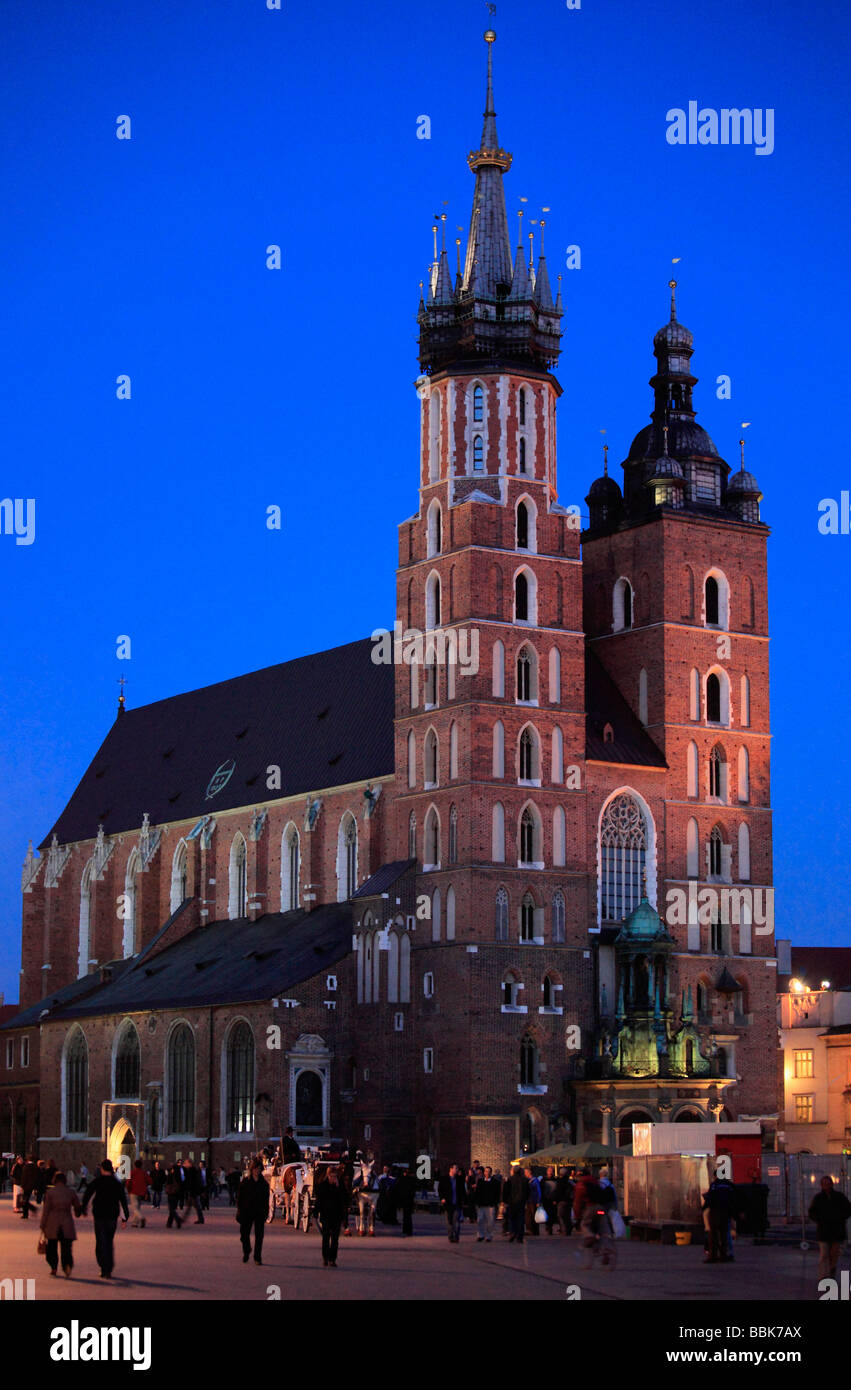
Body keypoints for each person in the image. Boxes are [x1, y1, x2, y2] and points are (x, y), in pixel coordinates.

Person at [81, 1159, 129, 1279]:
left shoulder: (98, 1181)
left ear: (102, 1168)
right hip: (112, 1215)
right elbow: (123, 1200)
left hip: (99, 1214)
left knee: (100, 1241)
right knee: (109, 1241)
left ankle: (103, 1266)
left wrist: (84, 1208)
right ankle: (108, 1267)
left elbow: (87, 1193)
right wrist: (125, 1218)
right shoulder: (116, 1183)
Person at [808, 1175, 851, 1282]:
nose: (826, 1186)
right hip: (824, 1230)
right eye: (825, 1184)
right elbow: (812, 1212)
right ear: (822, 1185)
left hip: (836, 1230)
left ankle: (831, 1273)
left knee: (833, 1255)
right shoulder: (819, 1198)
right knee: (824, 1255)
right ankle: (823, 1276)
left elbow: (848, 1209)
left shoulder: (839, 1197)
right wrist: (820, 1219)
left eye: (828, 1184)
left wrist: (840, 1218)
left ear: (831, 1184)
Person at [40, 1172, 81, 1278]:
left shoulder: (50, 1193)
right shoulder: (70, 1192)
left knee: (52, 1247)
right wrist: (78, 1212)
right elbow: (77, 1207)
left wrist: (43, 1224)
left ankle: (53, 1267)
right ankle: (67, 1265)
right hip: (66, 1222)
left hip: (52, 1223)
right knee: (66, 1247)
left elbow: (46, 1210)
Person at [237, 1159, 270, 1264]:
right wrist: (239, 1211)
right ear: (252, 1169)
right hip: (246, 1212)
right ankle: (247, 1250)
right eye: (255, 1168)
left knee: (259, 1236)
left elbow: (266, 1199)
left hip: (259, 1212)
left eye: (259, 1169)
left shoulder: (264, 1184)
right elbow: (239, 1198)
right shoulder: (245, 1182)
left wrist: (266, 1212)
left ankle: (257, 1257)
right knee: (244, 1234)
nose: (257, 1170)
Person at [316, 1167, 348, 1267]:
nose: (334, 1178)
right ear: (328, 1176)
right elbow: (319, 1200)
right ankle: (325, 1258)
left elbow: (345, 1200)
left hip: (336, 1216)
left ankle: (332, 1259)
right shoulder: (323, 1186)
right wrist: (316, 1212)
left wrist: (339, 1188)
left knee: (335, 1239)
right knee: (325, 1238)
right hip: (326, 1215)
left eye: (335, 1176)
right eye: (332, 1176)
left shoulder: (340, 1186)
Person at [702, 1174, 736, 1264]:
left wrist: (704, 1208)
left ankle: (713, 1256)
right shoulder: (729, 1185)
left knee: (713, 1235)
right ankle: (723, 1255)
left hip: (715, 1212)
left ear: (715, 1176)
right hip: (726, 1212)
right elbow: (733, 1199)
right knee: (724, 1235)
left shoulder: (715, 1185)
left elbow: (710, 1198)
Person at [438, 1163, 467, 1243]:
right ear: (451, 1169)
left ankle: (456, 1236)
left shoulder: (459, 1179)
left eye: (457, 1168)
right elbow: (440, 1190)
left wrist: (464, 1200)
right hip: (448, 1203)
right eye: (455, 1168)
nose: (457, 1170)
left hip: (457, 1203)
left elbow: (462, 1191)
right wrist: (442, 1198)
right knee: (449, 1221)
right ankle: (451, 1236)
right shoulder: (444, 1179)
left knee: (456, 1221)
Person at [473, 1166, 500, 1242]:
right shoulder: (480, 1181)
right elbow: (477, 1192)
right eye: (485, 1171)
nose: (487, 1173)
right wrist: (477, 1202)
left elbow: (497, 1194)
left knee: (490, 1222)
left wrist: (495, 1203)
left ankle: (489, 1236)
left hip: (490, 1205)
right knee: (480, 1220)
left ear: (491, 1173)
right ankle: (480, 1235)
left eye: (488, 1171)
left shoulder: (495, 1182)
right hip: (481, 1204)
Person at [506, 1165, 529, 1243]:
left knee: (512, 1219)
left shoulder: (510, 1179)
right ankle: (519, 1236)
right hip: (521, 1202)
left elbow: (506, 1191)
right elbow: (527, 1192)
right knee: (520, 1219)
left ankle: (512, 1232)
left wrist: (505, 1201)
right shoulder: (524, 1180)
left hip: (512, 1202)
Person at [394, 1164, 416, 1237]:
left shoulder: (401, 1179)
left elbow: (398, 1189)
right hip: (409, 1200)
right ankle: (408, 1230)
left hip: (404, 1200)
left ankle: (405, 1230)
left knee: (405, 1216)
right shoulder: (411, 1179)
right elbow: (413, 1191)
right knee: (408, 1216)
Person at [127, 1159, 149, 1227]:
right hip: (142, 1192)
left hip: (133, 1191)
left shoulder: (132, 1172)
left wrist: (128, 1190)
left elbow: (128, 1183)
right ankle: (135, 1223)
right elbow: (150, 1181)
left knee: (134, 1207)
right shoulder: (144, 1173)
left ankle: (141, 1218)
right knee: (138, 1207)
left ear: (134, 1165)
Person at [182, 1159, 204, 1223]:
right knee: (192, 1206)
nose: (185, 1164)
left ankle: (200, 1219)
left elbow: (191, 1182)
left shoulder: (191, 1171)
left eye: (185, 1163)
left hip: (193, 1192)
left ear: (189, 1163)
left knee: (195, 1206)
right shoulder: (193, 1170)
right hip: (193, 1191)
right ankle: (200, 1219)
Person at [555, 1169, 575, 1236]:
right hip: (569, 1201)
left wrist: (555, 1199)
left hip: (561, 1201)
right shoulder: (570, 1181)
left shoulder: (560, 1181)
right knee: (567, 1216)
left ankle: (564, 1230)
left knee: (560, 1216)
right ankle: (568, 1229)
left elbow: (558, 1192)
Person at [19, 1154, 38, 1219]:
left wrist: (22, 1186)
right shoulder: (35, 1167)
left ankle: (26, 1213)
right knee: (26, 1199)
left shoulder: (26, 1167)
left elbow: (24, 1177)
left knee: (24, 1200)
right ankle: (27, 1212)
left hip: (26, 1186)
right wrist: (35, 1187)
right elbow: (36, 1178)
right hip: (32, 1186)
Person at [165, 1164, 184, 1229]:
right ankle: (169, 1223)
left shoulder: (170, 1175)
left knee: (171, 1209)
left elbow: (167, 1184)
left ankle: (177, 1219)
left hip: (171, 1194)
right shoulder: (179, 1177)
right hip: (177, 1194)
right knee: (173, 1209)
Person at [525, 1166, 542, 1236]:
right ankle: (529, 1229)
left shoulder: (535, 1180)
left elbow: (538, 1191)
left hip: (533, 1200)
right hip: (528, 1201)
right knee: (528, 1216)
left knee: (534, 1216)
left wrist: (538, 1201)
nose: (525, 1173)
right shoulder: (527, 1180)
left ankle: (534, 1230)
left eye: (526, 1172)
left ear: (529, 1172)